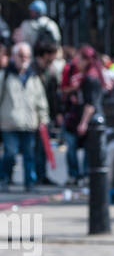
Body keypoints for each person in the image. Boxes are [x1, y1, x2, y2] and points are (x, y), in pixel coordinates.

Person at [0, 41, 48, 190]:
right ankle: (4, 178)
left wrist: (43, 119)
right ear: (14, 56)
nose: (24, 59)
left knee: (29, 155)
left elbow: (41, 100)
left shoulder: (34, 76)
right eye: (21, 56)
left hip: (29, 123)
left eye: (27, 56)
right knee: (10, 154)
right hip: (9, 122)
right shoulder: (5, 75)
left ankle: (30, 183)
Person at [60, 45, 104, 185]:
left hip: (88, 120)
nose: (77, 62)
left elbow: (91, 104)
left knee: (86, 150)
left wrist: (83, 123)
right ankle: (80, 176)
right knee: (80, 148)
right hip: (81, 118)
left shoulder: (91, 78)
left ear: (86, 60)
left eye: (79, 59)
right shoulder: (89, 75)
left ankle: (85, 176)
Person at [32, 40, 63, 184]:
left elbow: (54, 94)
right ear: (46, 54)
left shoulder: (51, 70)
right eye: (53, 54)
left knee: (43, 146)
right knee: (30, 147)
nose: (55, 57)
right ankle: (32, 176)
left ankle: (41, 175)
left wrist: (57, 113)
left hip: (47, 114)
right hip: (31, 113)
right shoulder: (32, 70)